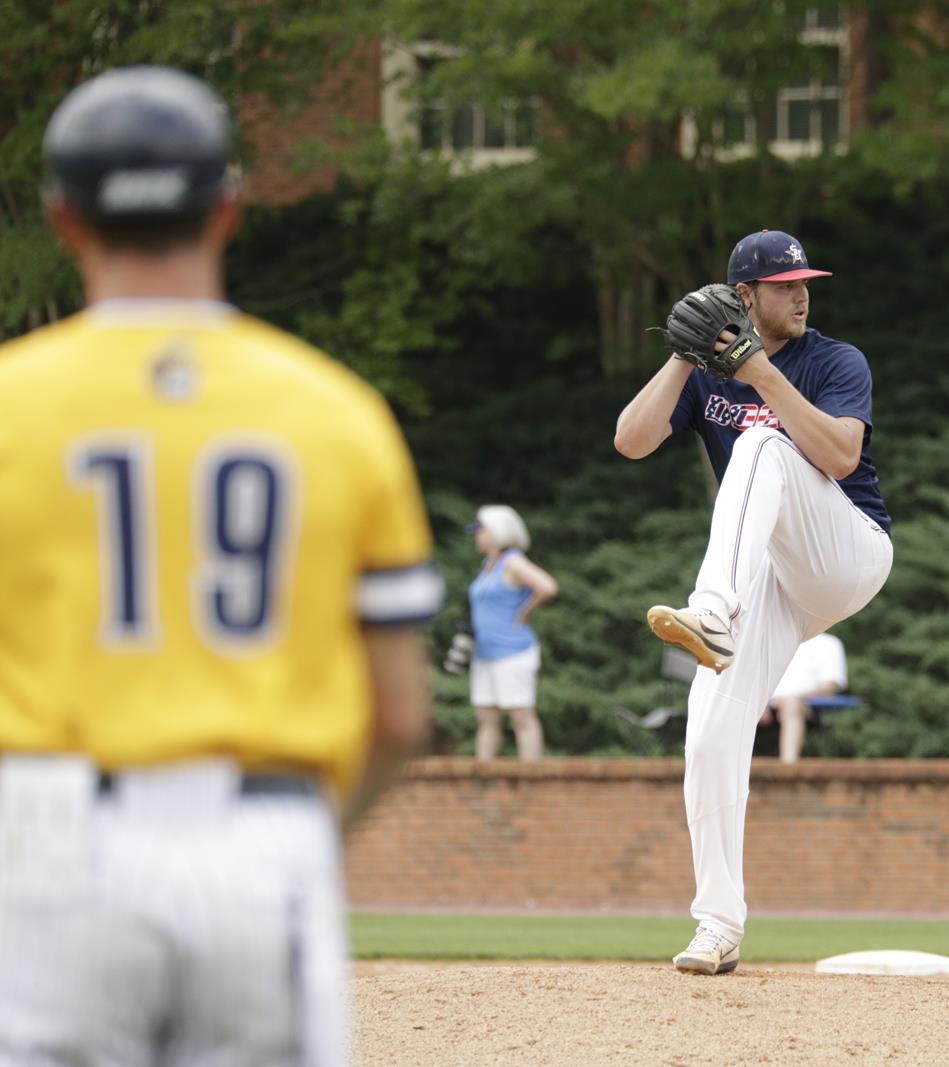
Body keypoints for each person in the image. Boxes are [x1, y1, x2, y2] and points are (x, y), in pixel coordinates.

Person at [0, 67, 443, 1064]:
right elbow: (402, 714)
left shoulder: (11, 404)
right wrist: (301, 840)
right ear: (230, 209)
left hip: (48, 833)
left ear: (64, 218)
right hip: (264, 830)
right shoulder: (336, 411)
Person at [614, 229, 893, 975]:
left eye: (806, 281)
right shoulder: (707, 374)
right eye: (784, 284)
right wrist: (685, 353)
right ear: (744, 296)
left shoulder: (835, 359)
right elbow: (631, 441)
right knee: (708, 737)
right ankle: (718, 924)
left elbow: (838, 455)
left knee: (764, 445)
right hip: (769, 580)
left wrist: (758, 371)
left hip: (846, 549)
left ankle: (711, 608)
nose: (802, 293)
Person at [467, 504, 559, 762]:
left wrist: (523, 613)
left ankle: (531, 783)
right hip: (485, 653)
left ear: (495, 531)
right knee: (486, 717)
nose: (476, 536)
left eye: (480, 530)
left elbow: (547, 587)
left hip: (513, 651)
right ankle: (482, 779)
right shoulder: (488, 565)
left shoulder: (512, 561)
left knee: (521, 715)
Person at [761, 631, 849, 764]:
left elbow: (832, 684)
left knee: (792, 705)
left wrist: (795, 698)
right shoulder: (770, 639)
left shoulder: (828, 643)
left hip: (806, 706)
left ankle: (787, 768)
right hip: (761, 703)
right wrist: (760, 702)